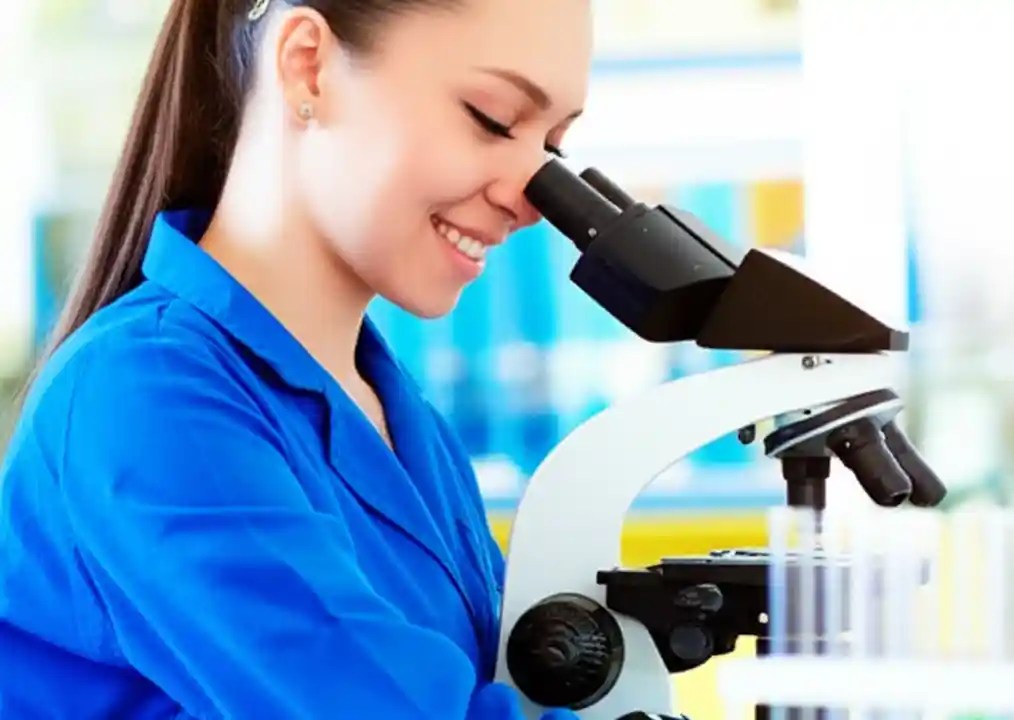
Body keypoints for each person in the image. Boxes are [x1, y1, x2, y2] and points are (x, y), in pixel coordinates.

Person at [0, 0, 591, 717]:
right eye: (492, 119)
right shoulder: (142, 394)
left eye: (552, 146)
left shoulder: (404, 421)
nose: (530, 198)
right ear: (307, 64)